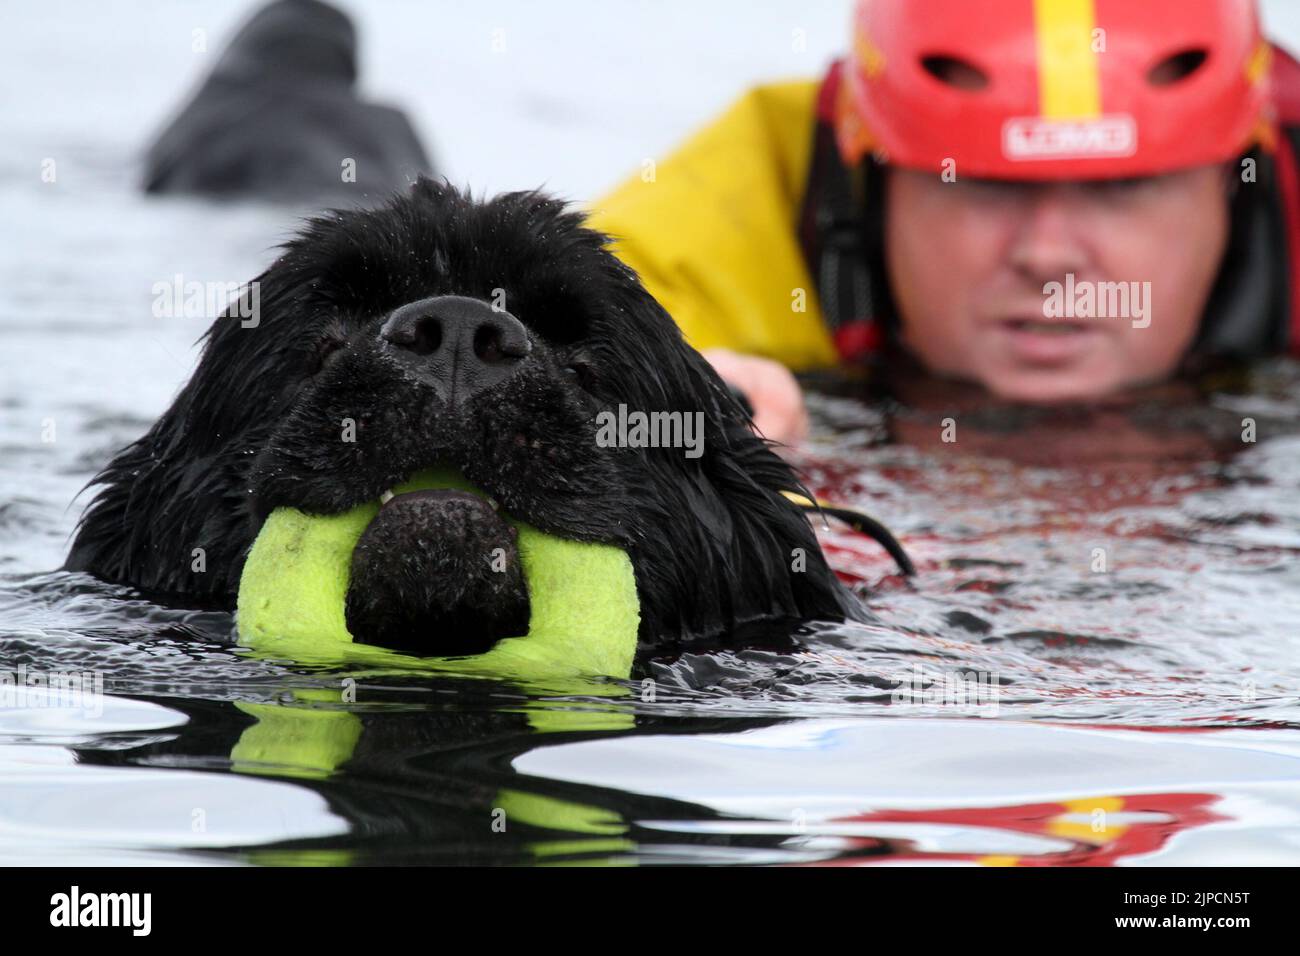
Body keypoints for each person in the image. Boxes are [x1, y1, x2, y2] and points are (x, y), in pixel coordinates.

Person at [587, 0, 1300, 443]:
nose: (1047, 256)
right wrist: (658, 411)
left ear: (1240, 177)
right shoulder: (685, 258)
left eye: (1122, 185)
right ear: (869, 172)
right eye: (984, 184)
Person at [143, 0, 433, 203]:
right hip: (373, 221)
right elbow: (434, 198)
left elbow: (153, 180)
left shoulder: (216, 126)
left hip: (265, 218)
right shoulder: (392, 123)